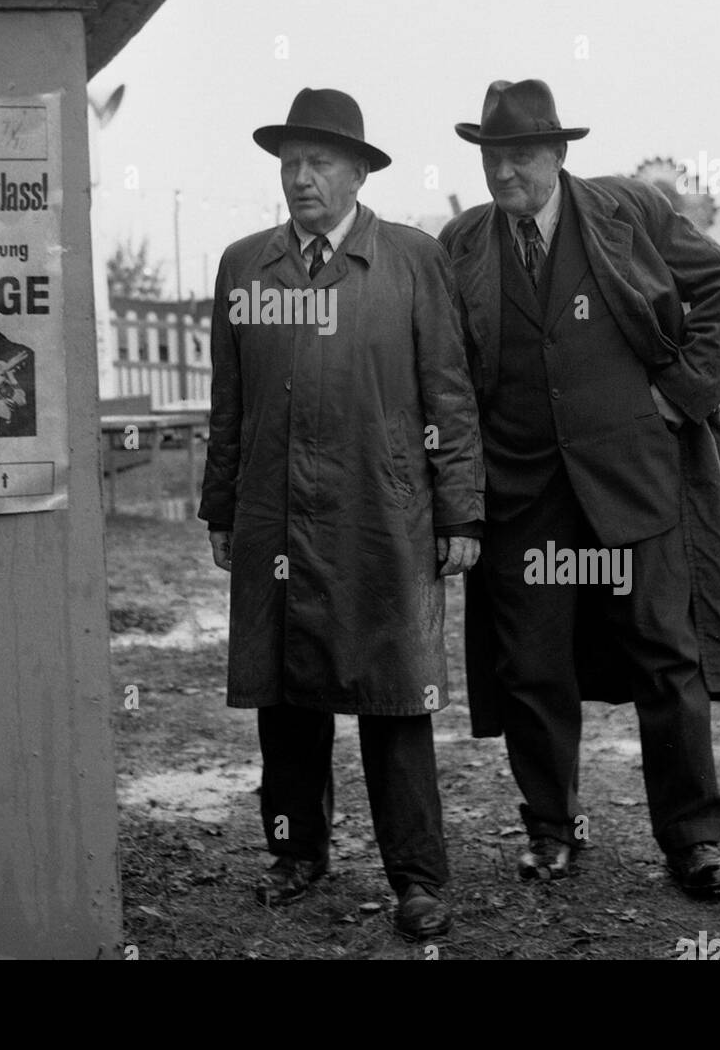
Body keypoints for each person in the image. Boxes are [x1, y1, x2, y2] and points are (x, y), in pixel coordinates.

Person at [438, 78, 720, 898]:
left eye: (521, 154)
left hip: (634, 484)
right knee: (531, 667)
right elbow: (443, 367)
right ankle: (551, 830)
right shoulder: (462, 244)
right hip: (523, 499)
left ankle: (692, 840)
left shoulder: (630, 212)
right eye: (491, 156)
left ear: (556, 154)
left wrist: (682, 393)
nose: (505, 171)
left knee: (668, 658)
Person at [198, 87, 484, 939]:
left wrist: (459, 510)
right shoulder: (243, 266)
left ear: (359, 172)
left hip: (378, 514)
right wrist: (222, 506)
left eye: (319, 162)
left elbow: (449, 392)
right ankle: (296, 853)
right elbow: (230, 400)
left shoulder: (408, 260)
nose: (300, 178)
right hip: (274, 515)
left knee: (395, 697)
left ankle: (418, 880)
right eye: (289, 163)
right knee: (284, 695)